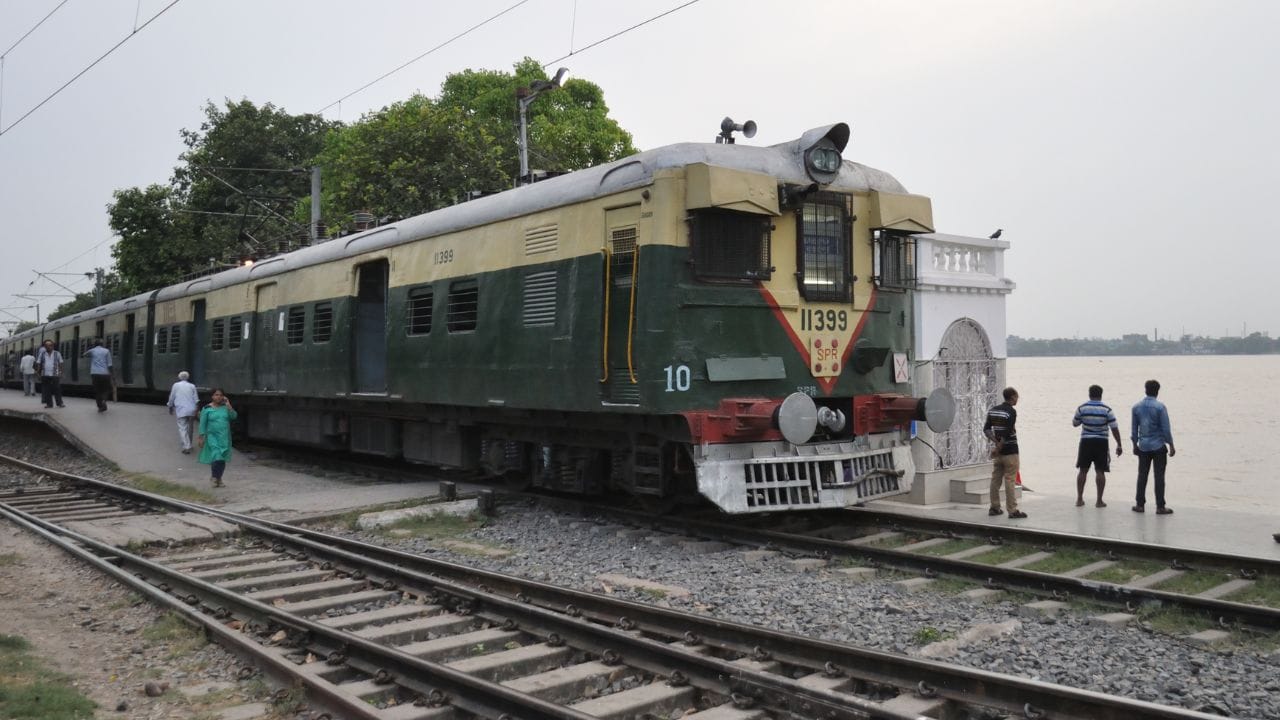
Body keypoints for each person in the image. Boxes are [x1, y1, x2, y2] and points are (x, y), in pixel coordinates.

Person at [1072, 384, 1122, 507]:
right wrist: (1119, 444)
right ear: (1101, 395)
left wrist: (1085, 420)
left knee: (1083, 470)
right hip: (1101, 442)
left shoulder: (1082, 408)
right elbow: (1114, 427)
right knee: (1100, 471)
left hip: (1086, 442)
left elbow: (1075, 423)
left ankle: (1079, 499)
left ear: (1089, 394)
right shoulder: (1107, 409)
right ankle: (1099, 501)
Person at [1132, 379, 1175, 514]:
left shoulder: (1136, 407)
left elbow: (1134, 429)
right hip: (1158, 447)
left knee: (1142, 475)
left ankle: (1140, 505)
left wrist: (1134, 444)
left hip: (1143, 446)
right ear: (1157, 391)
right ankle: (1160, 506)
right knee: (1159, 477)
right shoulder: (1160, 407)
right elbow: (1166, 429)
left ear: (1145, 390)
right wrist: (1171, 445)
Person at [983, 386, 1026, 518]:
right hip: (1010, 451)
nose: (1017, 399)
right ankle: (1012, 510)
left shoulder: (993, 410)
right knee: (1010, 480)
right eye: (1017, 397)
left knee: (995, 480)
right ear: (1012, 397)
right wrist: (999, 446)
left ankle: (994, 507)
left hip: (999, 454)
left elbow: (986, 429)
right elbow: (1008, 432)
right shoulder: (1011, 412)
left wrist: (995, 442)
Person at [197, 389, 237, 487]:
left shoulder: (225, 408)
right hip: (212, 437)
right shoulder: (207, 409)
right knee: (217, 456)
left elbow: (234, 416)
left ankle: (219, 478)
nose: (218, 397)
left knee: (222, 459)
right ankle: (214, 477)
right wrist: (201, 437)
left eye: (220, 395)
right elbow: (202, 424)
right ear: (212, 396)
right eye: (216, 395)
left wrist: (228, 405)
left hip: (224, 437)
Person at [167, 371, 200, 454]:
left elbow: (172, 397)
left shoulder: (176, 385)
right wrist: (197, 408)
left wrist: (170, 406)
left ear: (179, 377)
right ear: (188, 377)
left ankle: (186, 446)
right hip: (191, 409)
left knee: (182, 428)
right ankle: (189, 444)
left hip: (181, 409)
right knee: (190, 428)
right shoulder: (192, 386)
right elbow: (196, 399)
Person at [83, 338, 113, 412]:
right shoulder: (106, 351)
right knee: (106, 389)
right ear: (102, 344)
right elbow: (110, 364)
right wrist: (112, 375)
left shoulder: (92, 351)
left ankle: (100, 406)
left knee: (98, 390)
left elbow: (84, 354)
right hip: (105, 373)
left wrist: (90, 352)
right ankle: (104, 401)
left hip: (95, 373)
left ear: (95, 344)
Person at [35, 339, 64, 409]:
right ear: (44, 347)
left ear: (53, 346)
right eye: (46, 346)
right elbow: (39, 364)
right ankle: (49, 404)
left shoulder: (57, 353)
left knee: (57, 389)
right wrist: (38, 373)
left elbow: (60, 363)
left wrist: (61, 372)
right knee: (47, 390)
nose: (48, 347)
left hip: (55, 374)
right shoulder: (42, 354)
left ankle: (59, 403)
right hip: (45, 374)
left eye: (50, 345)